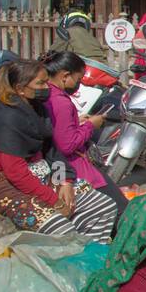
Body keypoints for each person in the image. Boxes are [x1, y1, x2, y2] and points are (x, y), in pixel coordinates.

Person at [0, 58, 119, 240]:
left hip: (37, 169)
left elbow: (51, 149)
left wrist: (65, 181)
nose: (46, 87)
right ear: (20, 89)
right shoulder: (6, 120)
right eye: (40, 83)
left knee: (103, 206)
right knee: (61, 230)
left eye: (46, 81)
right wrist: (54, 200)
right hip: (1, 180)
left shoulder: (36, 109)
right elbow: (16, 173)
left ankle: (91, 254)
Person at [40, 49, 125, 213]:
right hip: (74, 168)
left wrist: (75, 122)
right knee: (119, 208)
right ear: (65, 76)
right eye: (78, 79)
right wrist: (91, 125)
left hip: (58, 166)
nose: (79, 84)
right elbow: (67, 145)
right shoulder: (61, 102)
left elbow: (55, 128)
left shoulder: (48, 95)